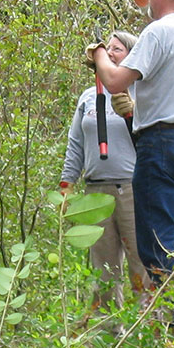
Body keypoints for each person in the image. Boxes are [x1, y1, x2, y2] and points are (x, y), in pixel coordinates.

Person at [87, 0, 174, 284]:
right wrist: (146, 6)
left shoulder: (158, 32)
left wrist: (100, 53)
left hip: (162, 146)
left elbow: (115, 81)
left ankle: (173, 324)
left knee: (158, 245)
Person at [61, 31, 151, 308]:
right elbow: (76, 143)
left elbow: (155, 139)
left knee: (141, 263)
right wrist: (67, 185)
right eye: (106, 48)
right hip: (95, 190)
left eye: (117, 49)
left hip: (133, 189)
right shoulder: (88, 98)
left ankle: (147, 333)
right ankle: (106, 335)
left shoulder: (145, 95)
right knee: (103, 268)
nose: (109, 53)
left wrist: (133, 113)